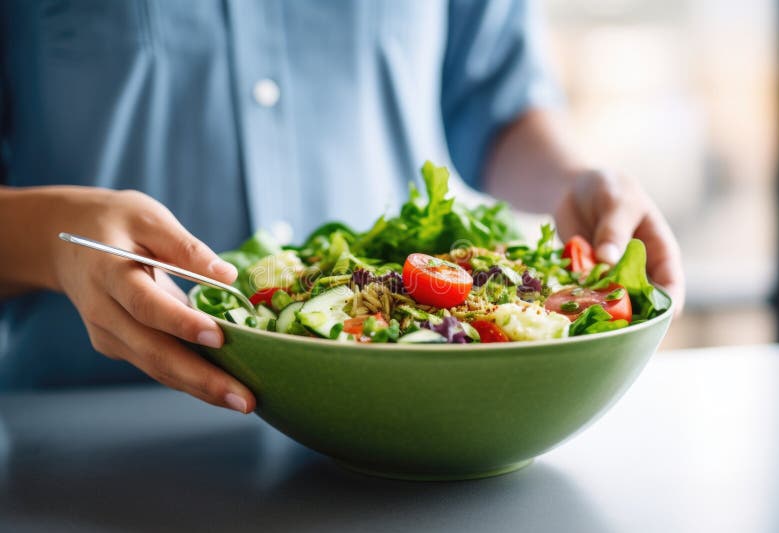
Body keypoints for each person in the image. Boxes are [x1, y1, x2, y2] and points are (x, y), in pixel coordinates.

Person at [0, 1, 684, 413]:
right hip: (85, 429)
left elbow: (495, 101)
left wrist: (574, 179)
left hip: (414, 421)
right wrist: (53, 236)